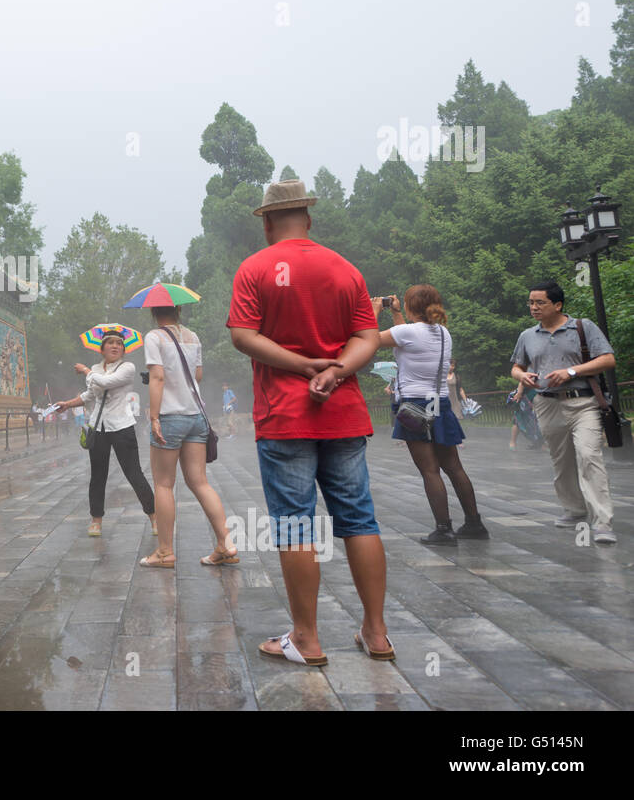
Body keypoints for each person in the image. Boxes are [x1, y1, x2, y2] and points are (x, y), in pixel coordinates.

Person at [227, 179, 391, 667]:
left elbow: (241, 335)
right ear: (309, 218)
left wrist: (303, 367)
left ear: (266, 220)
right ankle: (377, 634)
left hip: (285, 416)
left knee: (296, 525)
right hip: (343, 414)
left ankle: (306, 638)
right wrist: (338, 369)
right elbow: (368, 336)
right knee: (359, 519)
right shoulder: (343, 268)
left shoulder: (254, 268)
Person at [375, 287, 488, 544]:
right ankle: (474, 523)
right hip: (441, 403)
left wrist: (374, 311)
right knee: (454, 467)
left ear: (412, 306)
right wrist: (396, 315)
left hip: (415, 404)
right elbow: (406, 337)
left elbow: (369, 340)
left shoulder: (408, 332)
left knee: (430, 470)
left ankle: (443, 529)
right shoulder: (443, 332)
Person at [510, 280, 617, 545]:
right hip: (547, 403)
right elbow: (516, 367)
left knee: (589, 455)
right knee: (562, 460)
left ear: (557, 304)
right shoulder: (527, 335)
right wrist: (523, 376)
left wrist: (571, 371)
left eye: (540, 302)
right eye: (531, 302)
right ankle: (575, 509)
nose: (533, 307)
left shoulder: (582, 327)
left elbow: (607, 359)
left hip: (583, 402)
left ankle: (602, 521)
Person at [137, 305, 237, 568]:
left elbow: (158, 377)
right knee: (200, 482)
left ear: (154, 312)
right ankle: (226, 544)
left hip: (170, 416)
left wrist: (155, 416)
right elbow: (198, 376)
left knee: (163, 484)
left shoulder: (154, 337)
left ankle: (164, 552)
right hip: (196, 416)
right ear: (178, 310)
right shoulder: (193, 337)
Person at [55, 330, 156, 537]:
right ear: (102, 348)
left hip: (122, 426)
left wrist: (85, 371)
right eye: (110, 343)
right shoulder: (96, 369)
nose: (115, 346)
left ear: (123, 349)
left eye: (119, 343)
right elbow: (90, 395)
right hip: (98, 427)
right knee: (98, 475)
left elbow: (107, 383)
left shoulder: (127, 367)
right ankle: (96, 520)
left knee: (134, 473)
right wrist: (67, 404)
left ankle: (154, 517)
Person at [508, 383, 542, 450]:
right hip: (525, 397)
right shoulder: (533, 374)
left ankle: (539, 443)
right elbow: (522, 381)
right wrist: (520, 393)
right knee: (518, 421)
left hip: (536, 396)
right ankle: (512, 442)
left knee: (536, 422)